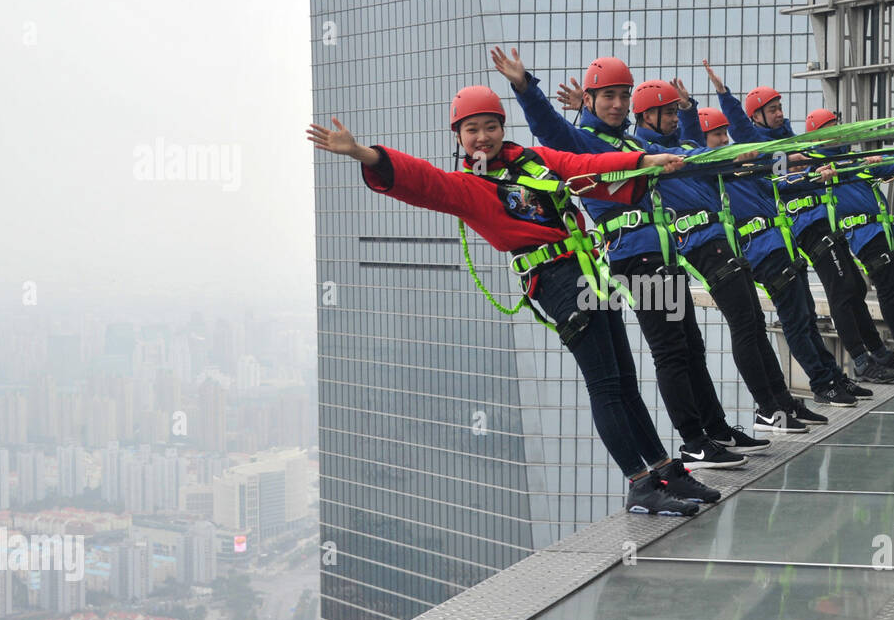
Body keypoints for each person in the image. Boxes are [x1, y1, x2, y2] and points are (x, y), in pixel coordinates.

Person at [305, 87, 717, 516]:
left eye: (490, 126)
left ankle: (666, 470)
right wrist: (363, 154)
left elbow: (585, 165)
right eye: (471, 130)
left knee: (623, 378)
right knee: (606, 384)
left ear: (503, 128)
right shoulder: (470, 186)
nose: (483, 136)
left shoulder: (533, 161)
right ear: (458, 137)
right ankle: (640, 482)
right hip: (557, 280)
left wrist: (644, 160)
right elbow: (422, 179)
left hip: (589, 271)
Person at [495, 46, 813, 437]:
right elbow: (550, 129)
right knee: (671, 352)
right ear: (592, 101)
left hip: (664, 255)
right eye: (608, 96)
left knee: (691, 346)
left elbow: (698, 159)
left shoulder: (632, 146)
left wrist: (770, 160)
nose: (617, 104)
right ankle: (695, 440)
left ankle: (715, 431)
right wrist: (525, 87)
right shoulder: (585, 142)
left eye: (622, 96)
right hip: (634, 260)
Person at [701, 61, 894, 400]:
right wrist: (724, 95)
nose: (779, 114)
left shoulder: (788, 141)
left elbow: (802, 167)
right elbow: (743, 134)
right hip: (778, 242)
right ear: (756, 116)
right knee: (817, 304)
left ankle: (834, 377)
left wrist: (830, 166)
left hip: (787, 242)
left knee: (812, 311)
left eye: (779, 108)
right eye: (772, 109)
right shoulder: (751, 150)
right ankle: (836, 376)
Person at [805, 109, 894, 363]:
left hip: (880, 231)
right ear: (819, 135)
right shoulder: (818, 167)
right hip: (863, 236)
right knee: (889, 288)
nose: (839, 133)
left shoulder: (853, 159)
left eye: (838, 127)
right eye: (831, 128)